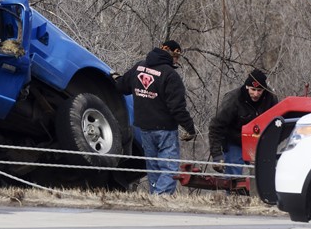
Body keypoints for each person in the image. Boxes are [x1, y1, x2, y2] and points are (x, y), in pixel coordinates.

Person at [116, 40, 197, 194]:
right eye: (176, 56)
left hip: (144, 128)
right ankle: (160, 198)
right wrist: (189, 128)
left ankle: (154, 199)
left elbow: (122, 87)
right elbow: (177, 108)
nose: (177, 60)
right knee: (170, 168)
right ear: (170, 52)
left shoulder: (139, 67)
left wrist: (115, 78)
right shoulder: (170, 75)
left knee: (153, 167)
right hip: (165, 130)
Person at [207, 68, 279, 176]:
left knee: (266, 175)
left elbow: (277, 124)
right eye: (252, 89)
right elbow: (215, 126)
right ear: (247, 86)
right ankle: (234, 193)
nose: (256, 94)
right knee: (234, 174)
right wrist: (217, 155)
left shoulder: (271, 99)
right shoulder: (233, 99)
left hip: (260, 142)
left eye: (259, 90)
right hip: (235, 141)